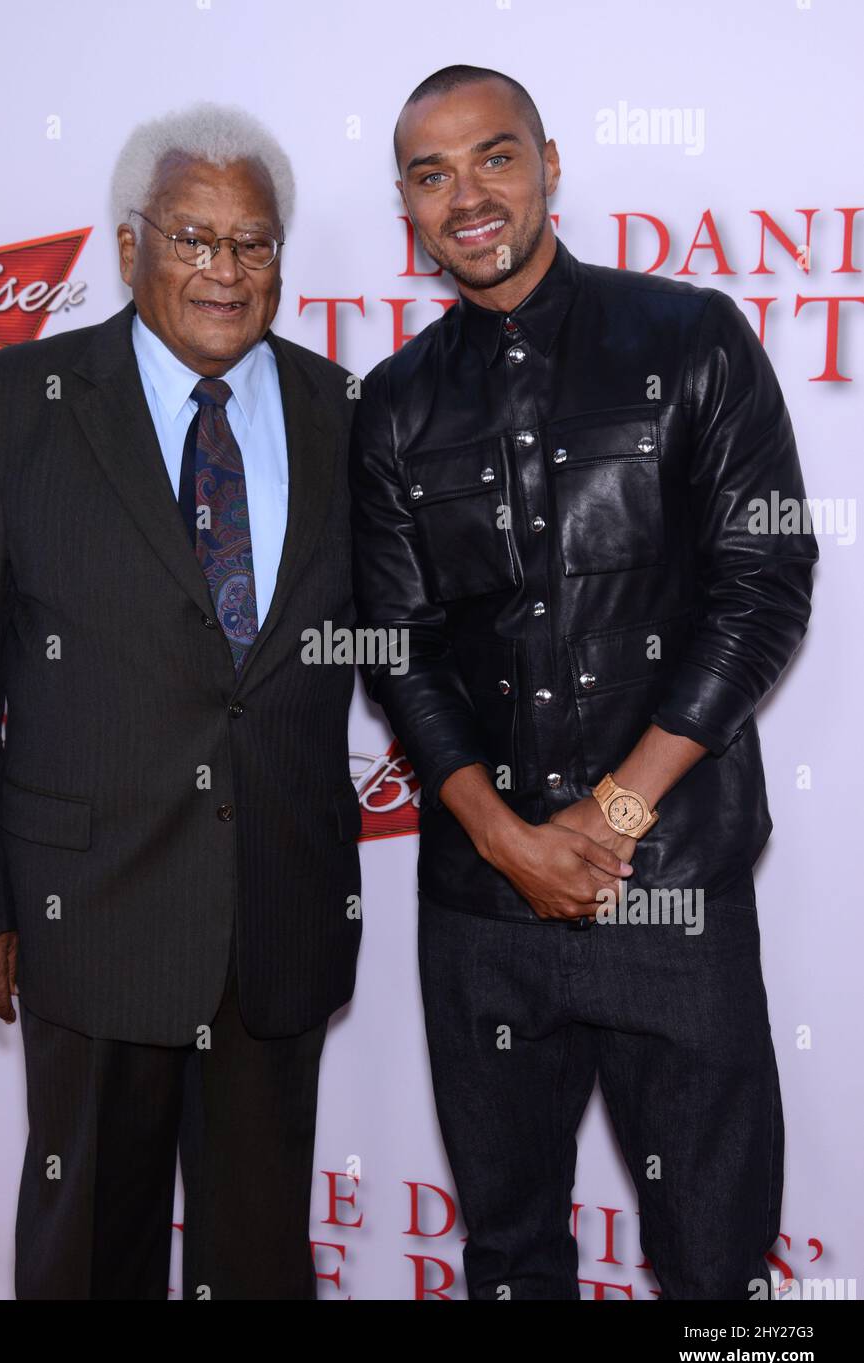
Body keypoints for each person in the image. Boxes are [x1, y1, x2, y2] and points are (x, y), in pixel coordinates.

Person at [349, 65, 817, 1300]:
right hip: (482, 915)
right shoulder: (394, 406)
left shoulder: (691, 335)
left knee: (715, 1269)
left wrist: (610, 819)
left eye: (494, 157)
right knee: (508, 1256)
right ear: (406, 202)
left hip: (670, 892)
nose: (468, 196)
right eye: (431, 173)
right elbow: (395, 647)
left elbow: (765, 583)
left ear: (550, 163)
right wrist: (506, 839)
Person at [0, 102, 361, 1301]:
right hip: (87, 914)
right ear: (129, 246)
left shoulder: (346, 413)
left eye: (252, 243)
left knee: (259, 1263)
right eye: (192, 237)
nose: (225, 269)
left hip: (280, 911)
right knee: (88, 1255)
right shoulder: (8, 407)